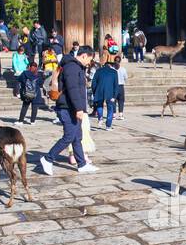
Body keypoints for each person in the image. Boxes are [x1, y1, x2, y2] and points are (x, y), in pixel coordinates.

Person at [38, 45, 98, 174]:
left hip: (71, 107)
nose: (89, 63)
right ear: (84, 56)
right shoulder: (72, 67)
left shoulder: (76, 66)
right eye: (89, 59)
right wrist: (79, 108)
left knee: (77, 137)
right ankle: (48, 159)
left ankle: (82, 164)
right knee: (69, 136)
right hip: (67, 107)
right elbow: (73, 89)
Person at [91, 53, 118, 130]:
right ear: (110, 65)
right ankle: (108, 126)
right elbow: (116, 85)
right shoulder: (114, 72)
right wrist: (114, 96)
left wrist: (94, 92)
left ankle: (100, 118)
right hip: (110, 92)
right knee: (110, 108)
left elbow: (94, 83)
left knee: (99, 105)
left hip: (99, 91)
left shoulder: (98, 71)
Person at [18, 59, 44, 124]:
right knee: (34, 107)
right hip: (36, 93)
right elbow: (41, 83)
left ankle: (21, 121)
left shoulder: (24, 73)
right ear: (36, 67)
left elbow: (19, 80)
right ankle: (32, 121)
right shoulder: (38, 75)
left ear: (29, 66)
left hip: (27, 93)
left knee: (25, 107)